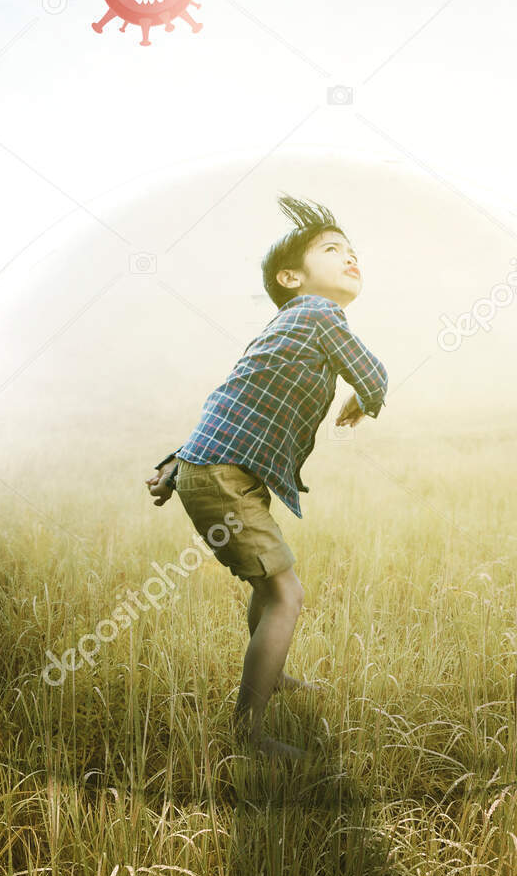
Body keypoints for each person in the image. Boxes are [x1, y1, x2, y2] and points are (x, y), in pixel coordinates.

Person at [144, 195, 387, 760]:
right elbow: (372, 373)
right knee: (285, 594)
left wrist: (176, 460)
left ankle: (270, 676)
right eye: (332, 250)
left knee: (269, 586)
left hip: (220, 473)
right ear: (291, 277)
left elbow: (233, 396)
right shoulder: (319, 314)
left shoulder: (286, 327)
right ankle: (248, 734)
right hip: (225, 478)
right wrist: (364, 398)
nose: (351, 258)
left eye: (353, 251)